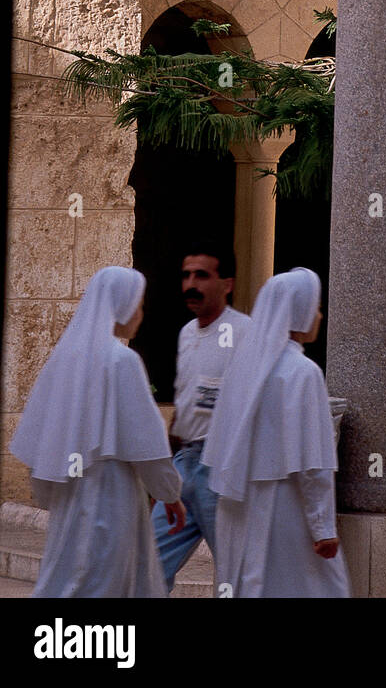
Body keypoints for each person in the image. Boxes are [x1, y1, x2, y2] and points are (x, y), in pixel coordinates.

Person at [9, 266, 185, 598]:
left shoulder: (64, 360)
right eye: (139, 303)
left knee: (69, 576)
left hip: (71, 497)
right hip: (112, 495)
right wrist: (170, 493)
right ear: (123, 304)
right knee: (105, 579)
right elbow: (146, 445)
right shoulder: (122, 362)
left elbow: (42, 434)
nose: (141, 313)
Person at [203, 267, 351, 598]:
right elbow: (315, 462)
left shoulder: (242, 366)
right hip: (288, 507)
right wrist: (323, 526)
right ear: (298, 311)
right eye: (314, 306)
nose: (319, 315)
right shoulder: (303, 372)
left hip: (240, 502)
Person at [151, 241, 251, 591]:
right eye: (186, 275)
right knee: (150, 562)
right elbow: (184, 406)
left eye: (202, 275)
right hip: (183, 468)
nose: (191, 284)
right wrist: (163, 475)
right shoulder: (186, 334)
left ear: (227, 283)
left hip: (221, 469)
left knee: (235, 574)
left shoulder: (245, 333)